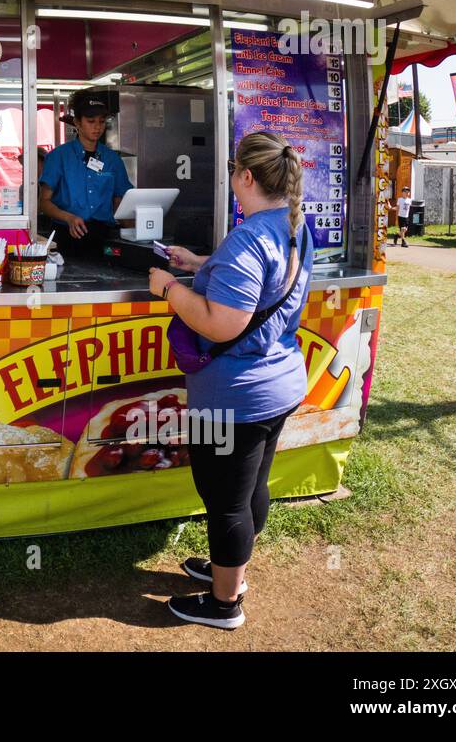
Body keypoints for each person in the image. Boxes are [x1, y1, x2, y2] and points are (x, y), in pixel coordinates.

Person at [148, 130, 313, 630]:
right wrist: (202, 265)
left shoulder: (249, 237)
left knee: (224, 503)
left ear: (245, 175)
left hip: (234, 398)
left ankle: (224, 605)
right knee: (249, 490)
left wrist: (170, 288)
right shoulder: (289, 225)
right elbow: (262, 288)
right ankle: (231, 571)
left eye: (231, 168)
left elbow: (223, 324)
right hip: (278, 383)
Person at [38, 90, 133, 257]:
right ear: (77, 123)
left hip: (103, 236)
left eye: (101, 121)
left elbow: (120, 201)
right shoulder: (58, 157)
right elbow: (44, 202)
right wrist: (68, 218)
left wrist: (134, 233)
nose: (97, 127)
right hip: (66, 234)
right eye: (91, 121)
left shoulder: (112, 160)